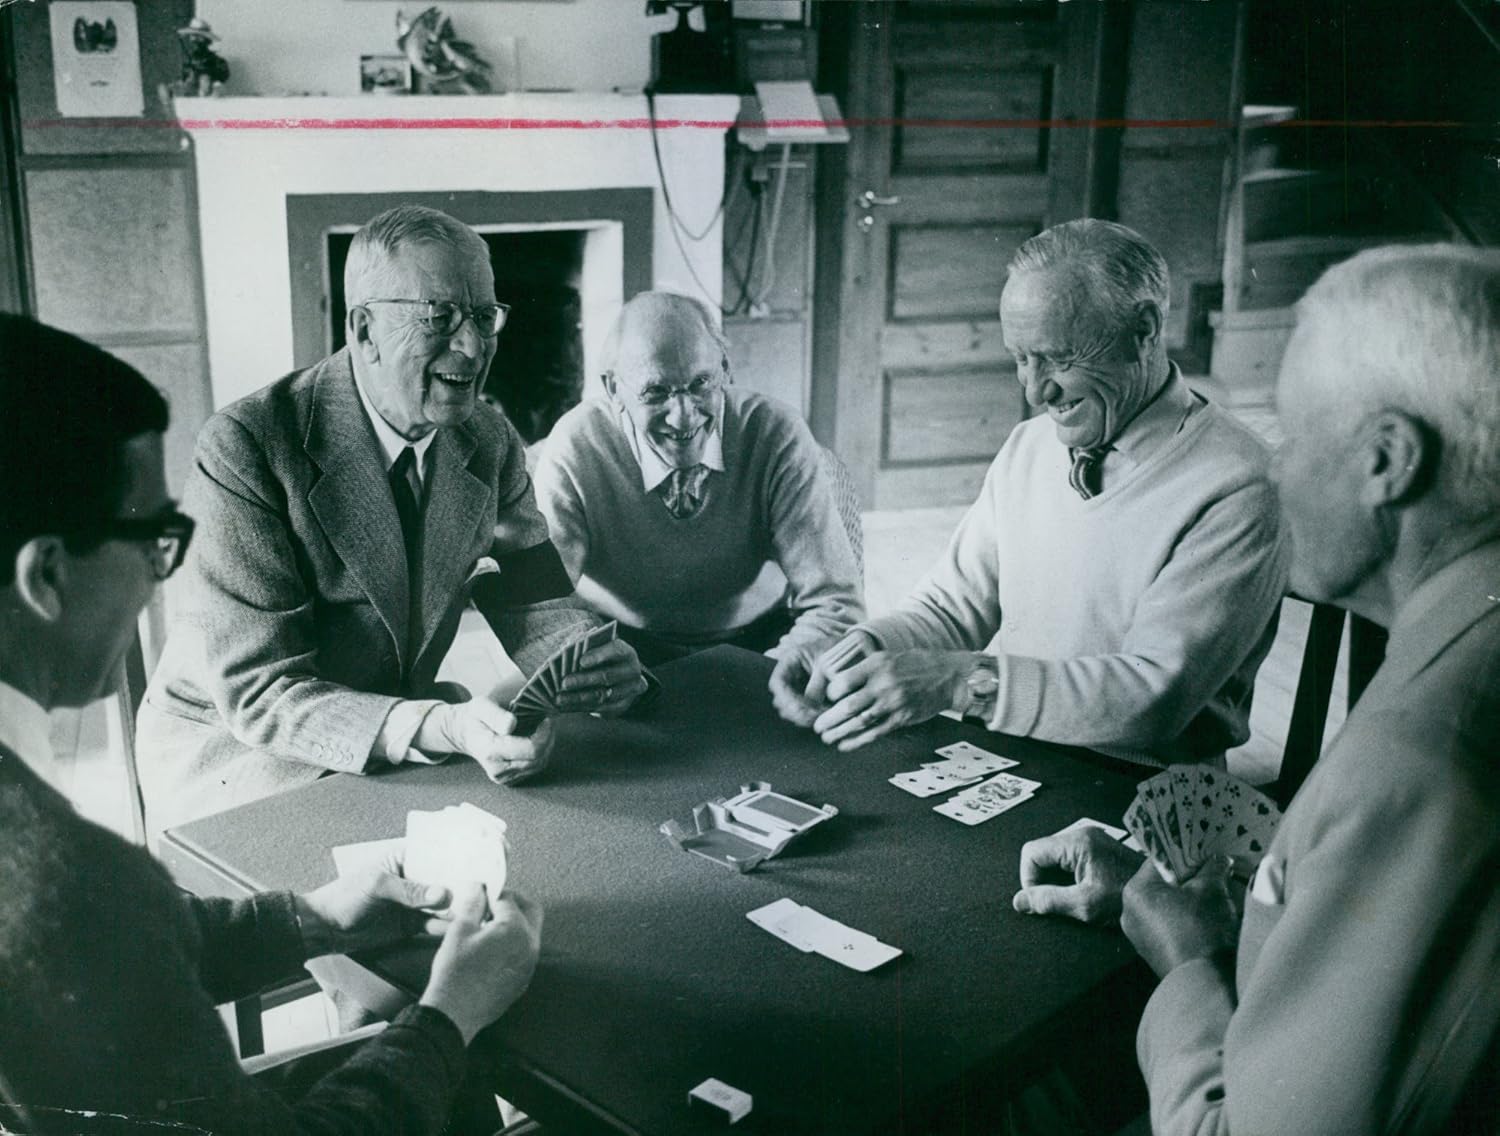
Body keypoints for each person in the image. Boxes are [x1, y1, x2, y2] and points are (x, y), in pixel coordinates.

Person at [0, 313, 543, 1135]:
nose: (161, 583)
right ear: (45, 574)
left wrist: (313, 916)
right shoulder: (67, 878)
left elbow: (120, 947)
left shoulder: (70, 882)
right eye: (157, 539)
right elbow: (92, 923)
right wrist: (447, 1017)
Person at [1013, 245, 1500, 1134]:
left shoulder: (1418, 758)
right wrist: (1183, 891)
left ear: (1389, 460)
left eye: (1295, 433)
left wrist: (1193, 959)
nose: (1273, 468)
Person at [137, 205, 646, 833]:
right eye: (438, 318)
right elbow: (261, 692)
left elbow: (535, 597)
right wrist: (446, 725)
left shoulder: (489, 438)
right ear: (364, 329)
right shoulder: (247, 447)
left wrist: (592, 666)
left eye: (484, 317)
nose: (472, 346)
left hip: (393, 731)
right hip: (239, 754)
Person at [773, 220, 1288, 766]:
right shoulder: (1031, 446)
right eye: (1021, 358)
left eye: (1060, 358)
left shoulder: (1241, 483)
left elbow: (1151, 700)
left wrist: (959, 682)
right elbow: (951, 609)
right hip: (1016, 759)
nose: (1035, 390)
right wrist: (857, 652)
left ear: (1145, 329)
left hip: (1141, 793)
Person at [533, 290, 864, 666]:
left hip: (762, 644)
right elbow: (544, 606)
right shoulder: (577, 444)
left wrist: (775, 674)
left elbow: (836, 604)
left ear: (725, 369)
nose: (683, 417)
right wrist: (591, 661)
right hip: (618, 647)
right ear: (613, 389)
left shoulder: (775, 432)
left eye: (700, 384)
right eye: (656, 392)